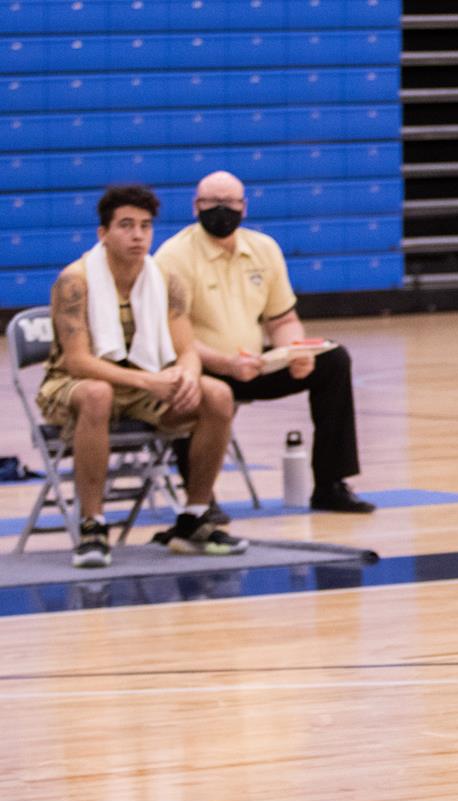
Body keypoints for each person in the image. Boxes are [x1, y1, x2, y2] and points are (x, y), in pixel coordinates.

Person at [37, 184, 249, 567]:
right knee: (98, 393)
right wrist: (149, 382)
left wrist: (187, 376)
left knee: (217, 394)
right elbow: (78, 362)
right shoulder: (74, 281)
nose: (137, 235)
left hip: (142, 385)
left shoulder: (166, 280)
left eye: (145, 226)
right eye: (126, 225)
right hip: (72, 385)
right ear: (103, 233)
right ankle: (92, 524)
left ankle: (194, 517)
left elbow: (186, 349)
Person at [155, 171, 374, 516]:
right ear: (196, 207)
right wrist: (226, 364)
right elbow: (171, 337)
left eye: (230, 203)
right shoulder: (173, 257)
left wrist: (296, 352)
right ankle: (201, 499)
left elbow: (282, 319)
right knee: (192, 384)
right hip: (204, 366)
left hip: (253, 363)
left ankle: (331, 484)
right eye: (213, 203)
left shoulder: (264, 249)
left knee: (333, 359)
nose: (222, 210)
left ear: (244, 207)